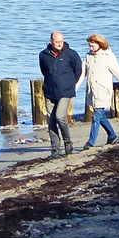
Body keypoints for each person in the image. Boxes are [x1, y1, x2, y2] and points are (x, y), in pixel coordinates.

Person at [82, 34, 119, 148]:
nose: (91, 48)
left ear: (99, 44)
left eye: (93, 45)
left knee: (96, 115)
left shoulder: (108, 56)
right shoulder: (88, 56)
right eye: (89, 46)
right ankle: (112, 135)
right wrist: (74, 88)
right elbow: (82, 73)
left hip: (103, 91)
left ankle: (91, 142)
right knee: (100, 116)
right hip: (92, 90)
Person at [38, 31, 82, 159]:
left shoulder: (71, 54)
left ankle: (68, 142)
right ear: (51, 41)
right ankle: (55, 149)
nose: (59, 44)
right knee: (51, 121)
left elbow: (78, 70)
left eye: (61, 41)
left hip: (65, 91)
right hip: (49, 91)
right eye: (57, 42)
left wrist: (70, 83)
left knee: (60, 117)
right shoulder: (43, 55)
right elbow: (44, 71)